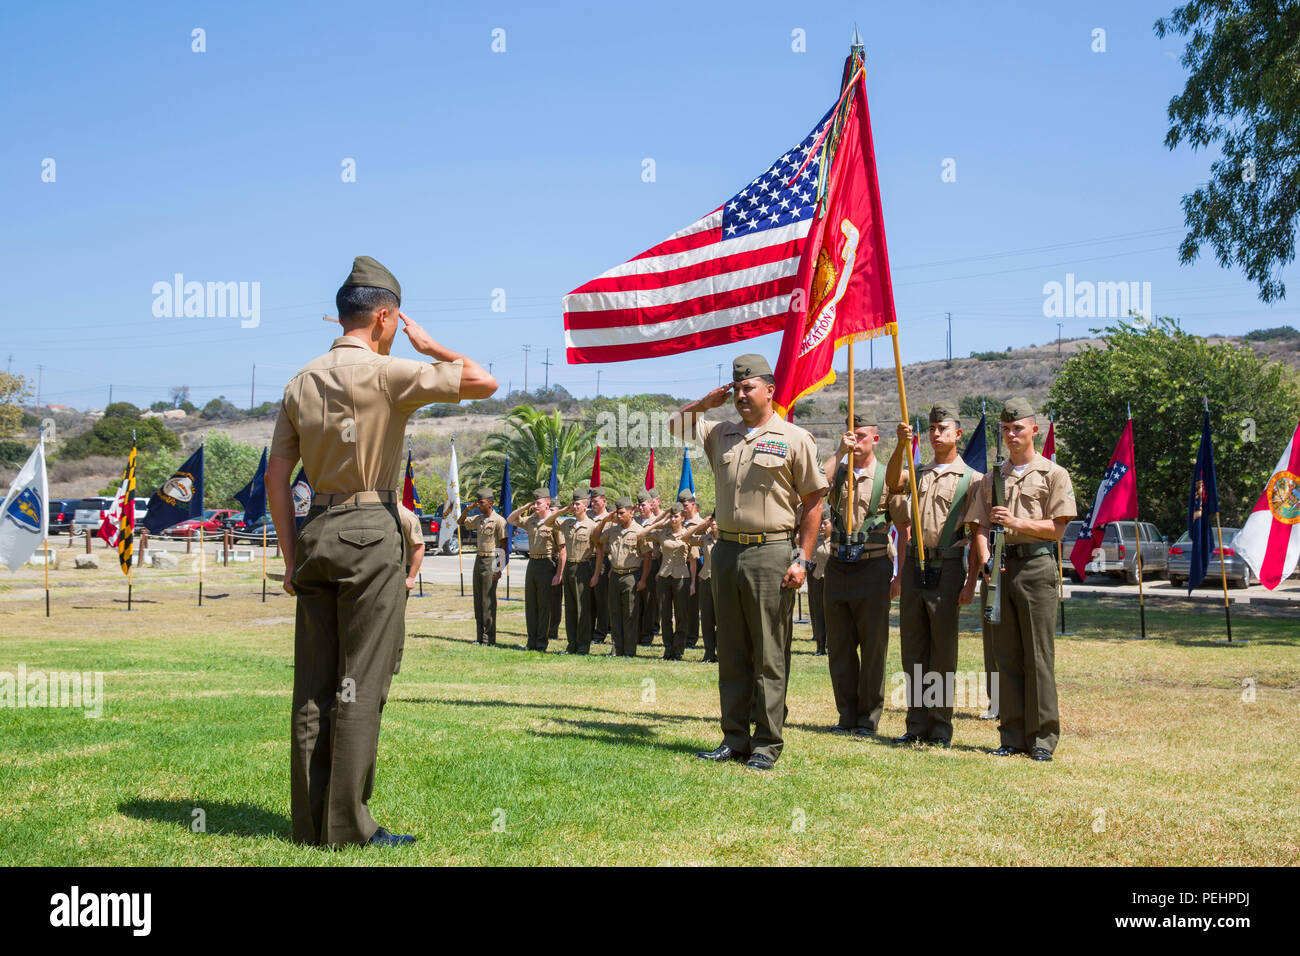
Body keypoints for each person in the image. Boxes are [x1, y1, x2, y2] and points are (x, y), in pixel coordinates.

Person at [267, 254, 496, 848]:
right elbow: (482, 379)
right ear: (385, 316)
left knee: (315, 686)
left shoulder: (301, 380)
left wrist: (291, 558)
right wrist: (432, 344)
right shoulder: (390, 373)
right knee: (361, 682)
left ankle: (309, 822)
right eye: (398, 323)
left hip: (315, 527)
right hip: (369, 527)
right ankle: (347, 829)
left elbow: (276, 476)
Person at [669, 353, 827, 771]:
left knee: (769, 652)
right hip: (726, 552)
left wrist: (803, 558)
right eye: (735, 388)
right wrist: (707, 401)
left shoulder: (794, 438)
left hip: (771, 552)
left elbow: (813, 500)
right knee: (732, 649)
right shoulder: (720, 433)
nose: (740, 394)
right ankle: (734, 738)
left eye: (747, 387)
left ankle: (766, 743)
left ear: (770, 391)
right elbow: (674, 426)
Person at [968, 398, 1077, 762]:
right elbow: (980, 525)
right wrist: (984, 558)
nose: (1011, 434)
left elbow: (1057, 529)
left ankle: (1042, 738)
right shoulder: (991, 478)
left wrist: (1017, 524)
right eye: (1006, 429)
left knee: (1038, 656)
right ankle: (1011, 735)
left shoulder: (1052, 474)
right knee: (1006, 655)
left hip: (1035, 568)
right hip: (1000, 569)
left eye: (1018, 428)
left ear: (1034, 430)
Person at [885, 404, 982, 748]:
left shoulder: (973, 480)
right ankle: (915, 723)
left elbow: (975, 534)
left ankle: (940, 726)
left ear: (958, 434)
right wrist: (900, 445)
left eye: (943, 428)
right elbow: (894, 485)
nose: (936, 434)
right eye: (932, 429)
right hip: (915, 564)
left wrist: (971, 582)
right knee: (913, 648)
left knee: (942, 652)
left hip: (948, 565)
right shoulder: (918, 472)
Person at [820, 415, 899, 737]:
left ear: (876, 439)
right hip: (838, 566)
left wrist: (900, 576)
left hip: (873, 566)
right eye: (851, 434)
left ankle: (868, 718)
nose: (857, 440)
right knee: (839, 645)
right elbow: (814, 486)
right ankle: (846, 714)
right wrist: (839, 451)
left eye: (862, 435)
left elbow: (904, 528)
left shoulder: (888, 477)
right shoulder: (837, 473)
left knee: (873, 646)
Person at [592, 497, 653, 656]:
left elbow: (647, 556)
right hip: (615, 575)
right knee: (615, 613)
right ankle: (616, 649)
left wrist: (643, 579)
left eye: (622, 513)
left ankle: (629, 650)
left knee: (630, 614)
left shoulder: (638, 531)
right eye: (617, 514)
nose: (619, 517)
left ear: (631, 512)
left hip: (631, 576)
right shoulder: (613, 530)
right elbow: (596, 538)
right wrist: (605, 519)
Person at [506, 489, 565, 652]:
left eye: (538, 503)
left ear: (547, 504)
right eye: (534, 503)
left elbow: (562, 550)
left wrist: (559, 574)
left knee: (544, 606)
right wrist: (525, 507)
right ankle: (531, 641)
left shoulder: (554, 522)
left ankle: (541, 642)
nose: (536, 506)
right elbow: (511, 519)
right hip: (532, 563)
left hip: (547, 564)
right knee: (531, 605)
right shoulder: (530, 520)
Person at [544, 490, 599, 654]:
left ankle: (583, 645)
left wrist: (595, 574)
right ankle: (572, 643)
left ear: (585, 505)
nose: (574, 507)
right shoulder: (567, 523)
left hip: (583, 566)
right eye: (573, 504)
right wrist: (563, 510)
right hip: (569, 567)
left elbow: (600, 551)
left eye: (577, 504)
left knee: (583, 608)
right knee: (570, 608)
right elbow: (547, 522)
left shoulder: (592, 525)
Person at [459, 487, 507, 645]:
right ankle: (480, 637)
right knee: (478, 599)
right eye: (478, 502)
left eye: (481, 502)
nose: (478, 504)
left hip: (491, 560)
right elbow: (461, 522)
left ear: (490, 503)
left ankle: (488, 638)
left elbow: (503, 545)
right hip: (479, 559)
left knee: (488, 600)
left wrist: (498, 568)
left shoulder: (499, 521)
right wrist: (467, 510)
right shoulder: (478, 519)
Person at [649, 503, 697, 660]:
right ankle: (668, 648)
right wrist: (662, 518)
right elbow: (642, 533)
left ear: (682, 518)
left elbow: (693, 561)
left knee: (682, 614)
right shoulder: (663, 533)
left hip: (682, 578)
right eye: (671, 516)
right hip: (664, 577)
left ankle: (679, 649)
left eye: (676, 516)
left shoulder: (687, 535)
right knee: (665, 614)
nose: (673, 519)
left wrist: (692, 583)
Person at [685, 514, 718, 663]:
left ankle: (723, 652)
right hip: (706, 580)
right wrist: (702, 525)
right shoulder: (706, 538)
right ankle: (709, 653)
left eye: (718, 520)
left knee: (724, 620)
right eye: (713, 520)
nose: (715, 523)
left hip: (723, 582)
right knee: (706, 619)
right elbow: (686, 538)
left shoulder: (728, 538)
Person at [635, 490, 662, 647]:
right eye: (639, 505)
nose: (640, 508)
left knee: (649, 601)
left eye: (643, 505)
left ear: (651, 505)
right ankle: (636, 633)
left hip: (652, 563)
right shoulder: (634, 521)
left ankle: (647, 636)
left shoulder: (657, 522)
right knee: (636, 601)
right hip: (636, 563)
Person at [677, 490, 703, 647]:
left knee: (692, 604)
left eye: (685, 506)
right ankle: (681, 633)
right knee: (680, 602)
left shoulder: (701, 523)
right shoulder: (678, 522)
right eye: (681, 506)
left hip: (694, 563)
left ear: (693, 505)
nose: (683, 509)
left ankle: (692, 637)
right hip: (677, 564)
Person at [587, 486, 612, 644]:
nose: (593, 504)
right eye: (591, 501)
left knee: (601, 599)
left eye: (596, 501)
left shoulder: (610, 519)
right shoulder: (587, 515)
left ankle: (601, 632)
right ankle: (588, 630)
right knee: (587, 598)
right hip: (587, 559)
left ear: (604, 501)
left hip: (603, 561)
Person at [808, 515, 832, 656]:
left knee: (831, 613)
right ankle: (820, 646)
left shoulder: (836, 541)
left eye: (825, 524)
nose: (822, 526)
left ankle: (830, 645)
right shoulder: (817, 540)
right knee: (818, 612)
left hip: (831, 580)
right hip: (818, 577)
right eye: (821, 524)